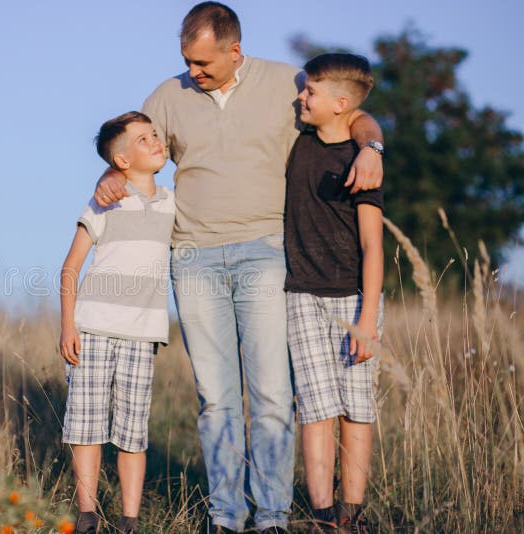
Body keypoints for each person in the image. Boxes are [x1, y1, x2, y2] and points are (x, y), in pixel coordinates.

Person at [93, 3, 385, 533]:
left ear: (235, 51)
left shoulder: (287, 84)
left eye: (203, 63)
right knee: (216, 399)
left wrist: (373, 146)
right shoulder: (168, 95)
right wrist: (107, 179)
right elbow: (130, 149)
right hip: (194, 257)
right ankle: (226, 515)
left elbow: (352, 113)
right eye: (187, 60)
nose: (193, 71)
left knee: (273, 394)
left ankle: (272, 517)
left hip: (266, 252)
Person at [59, 111, 174, 534]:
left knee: (132, 433)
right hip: (92, 328)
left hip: (142, 335)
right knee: (86, 426)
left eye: (155, 135)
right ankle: (87, 515)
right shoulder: (103, 201)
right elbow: (71, 267)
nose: (156, 141)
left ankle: (129, 520)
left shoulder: (171, 202)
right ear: (122, 160)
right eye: (143, 139)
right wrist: (68, 326)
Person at [284, 53, 384, 534]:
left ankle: (352, 513)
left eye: (311, 92)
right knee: (316, 409)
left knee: (356, 410)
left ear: (341, 103)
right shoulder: (298, 144)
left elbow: (372, 245)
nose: (301, 98)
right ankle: (322, 516)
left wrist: (367, 319)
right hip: (302, 294)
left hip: (354, 299)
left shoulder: (361, 162)